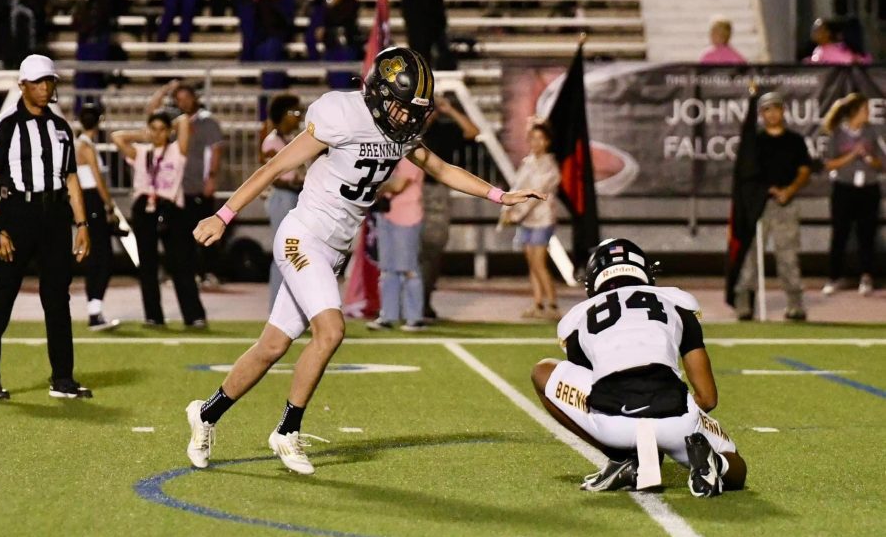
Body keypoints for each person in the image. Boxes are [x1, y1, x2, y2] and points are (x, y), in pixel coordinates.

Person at [184, 46, 543, 474]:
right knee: (332, 331)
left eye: (414, 110)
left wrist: (499, 195)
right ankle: (287, 430)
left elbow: (440, 167)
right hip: (304, 236)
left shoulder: (400, 131)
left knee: (271, 347)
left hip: (334, 250)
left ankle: (205, 414)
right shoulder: (341, 114)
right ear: (376, 91)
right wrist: (224, 215)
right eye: (401, 105)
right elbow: (273, 168)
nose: (407, 117)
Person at [531, 238, 748, 497]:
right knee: (736, 467)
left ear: (592, 281)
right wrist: (668, 423)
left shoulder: (576, 318)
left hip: (615, 423)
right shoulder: (677, 301)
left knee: (542, 371)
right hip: (676, 416)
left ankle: (622, 457)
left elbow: (590, 385)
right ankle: (715, 463)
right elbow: (707, 397)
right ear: (645, 271)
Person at [0, 55, 93, 401]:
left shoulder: (60, 127)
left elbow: (71, 178)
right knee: (2, 295)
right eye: (38, 82)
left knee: (58, 297)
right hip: (16, 214)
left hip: (54, 217)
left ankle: (62, 378)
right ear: (22, 85)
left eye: (49, 81)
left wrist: (82, 224)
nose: (45, 88)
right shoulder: (5, 125)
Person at [111, 111, 208, 327]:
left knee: (180, 262)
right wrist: (144, 136)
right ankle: (153, 316)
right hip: (144, 207)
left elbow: (183, 121)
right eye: (153, 129)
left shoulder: (176, 151)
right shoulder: (141, 152)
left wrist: (169, 128)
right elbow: (117, 137)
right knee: (147, 265)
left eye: (161, 129)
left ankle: (194, 316)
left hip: (170, 207)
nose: (157, 134)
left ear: (169, 131)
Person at [733, 91, 811, 321]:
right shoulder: (755, 142)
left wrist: (789, 190)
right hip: (759, 204)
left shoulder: (795, 141)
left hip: (786, 205)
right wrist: (765, 190)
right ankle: (744, 302)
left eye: (776, 108)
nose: (773, 113)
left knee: (788, 256)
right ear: (761, 114)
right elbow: (746, 174)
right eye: (767, 109)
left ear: (783, 111)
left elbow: (804, 170)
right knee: (750, 256)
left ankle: (795, 303)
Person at [146, 80, 226, 285]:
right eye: (179, 99)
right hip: (175, 187)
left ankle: (207, 272)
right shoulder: (172, 120)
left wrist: (211, 177)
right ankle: (181, 273)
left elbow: (215, 150)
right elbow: (151, 111)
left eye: (186, 98)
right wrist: (165, 89)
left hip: (197, 185)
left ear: (195, 98)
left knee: (204, 232)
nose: (183, 102)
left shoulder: (207, 122)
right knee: (176, 235)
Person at [419, 94, 479, 321]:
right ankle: (399, 306)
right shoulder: (405, 128)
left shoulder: (442, 130)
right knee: (404, 255)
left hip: (434, 196)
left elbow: (472, 132)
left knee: (432, 251)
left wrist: (450, 110)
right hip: (404, 196)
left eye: (432, 108)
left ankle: (422, 303)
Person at [820, 93, 883, 297]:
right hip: (844, 188)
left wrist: (867, 156)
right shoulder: (837, 134)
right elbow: (829, 163)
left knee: (867, 234)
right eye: (864, 110)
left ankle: (866, 277)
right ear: (855, 112)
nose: (868, 113)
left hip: (868, 188)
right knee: (840, 233)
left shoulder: (871, 132)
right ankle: (833, 277)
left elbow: (881, 163)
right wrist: (852, 155)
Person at [500, 122, 561, 320]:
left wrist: (516, 215)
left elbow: (537, 196)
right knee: (532, 264)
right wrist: (507, 211)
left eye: (540, 138)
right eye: (532, 138)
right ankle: (538, 303)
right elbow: (516, 188)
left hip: (542, 220)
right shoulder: (528, 163)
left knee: (539, 262)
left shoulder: (550, 166)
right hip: (526, 221)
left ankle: (552, 304)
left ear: (548, 141)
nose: (535, 142)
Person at [367, 156, 426, 331]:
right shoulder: (389, 155)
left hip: (407, 217)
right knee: (387, 269)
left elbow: (399, 185)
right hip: (386, 214)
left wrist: (376, 189)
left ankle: (414, 317)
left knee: (409, 269)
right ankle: (388, 316)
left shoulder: (411, 155)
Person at [76, 102, 121, 331]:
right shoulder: (85, 146)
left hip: (86, 201)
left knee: (97, 258)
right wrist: (109, 205)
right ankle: (94, 312)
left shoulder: (81, 144)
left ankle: (95, 310)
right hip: (92, 200)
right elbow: (97, 180)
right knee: (102, 259)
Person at [261, 93, 305, 307]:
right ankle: (276, 306)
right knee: (285, 252)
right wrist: (301, 184)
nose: (299, 117)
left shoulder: (288, 140)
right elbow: (276, 180)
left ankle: (290, 306)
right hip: (282, 198)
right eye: (295, 112)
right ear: (283, 115)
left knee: (293, 253)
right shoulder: (272, 142)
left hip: (290, 197)